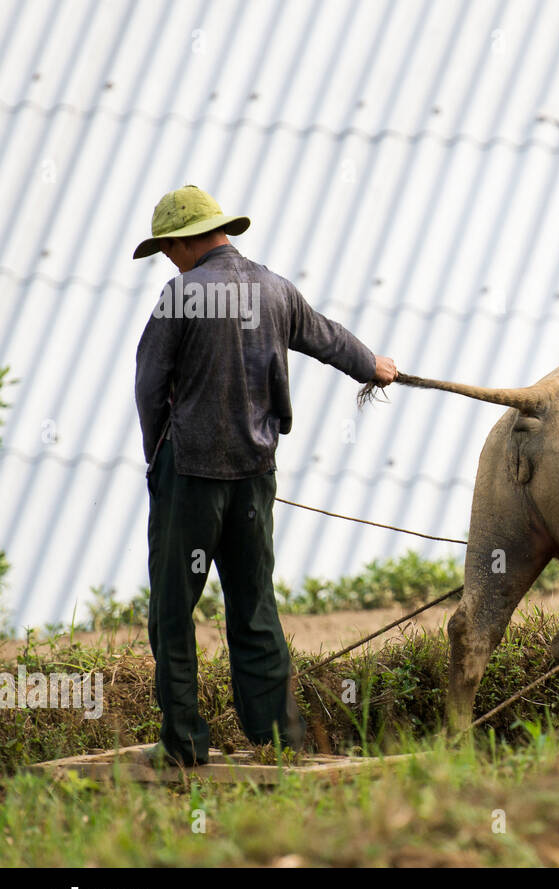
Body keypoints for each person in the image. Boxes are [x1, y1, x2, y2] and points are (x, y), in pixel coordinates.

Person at [132, 185, 397, 766]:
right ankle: (279, 740)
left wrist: (158, 455)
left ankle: (182, 747)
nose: (168, 260)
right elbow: (327, 338)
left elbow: (150, 386)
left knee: (174, 612)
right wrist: (373, 365)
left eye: (167, 249)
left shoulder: (179, 297)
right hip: (255, 474)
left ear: (183, 241)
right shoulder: (275, 289)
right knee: (254, 607)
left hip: (191, 475)